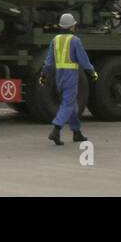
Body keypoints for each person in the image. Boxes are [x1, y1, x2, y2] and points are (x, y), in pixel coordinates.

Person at [41, 12, 97, 146]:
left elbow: (48, 62)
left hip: (58, 76)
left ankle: (76, 132)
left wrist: (43, 75)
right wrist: (92, 72)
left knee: (73, 105)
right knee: (68, 104)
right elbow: (83, 61)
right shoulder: (75, 41)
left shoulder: (55, 40)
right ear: (72, 27)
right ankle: (56, 129)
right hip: (70, 76)